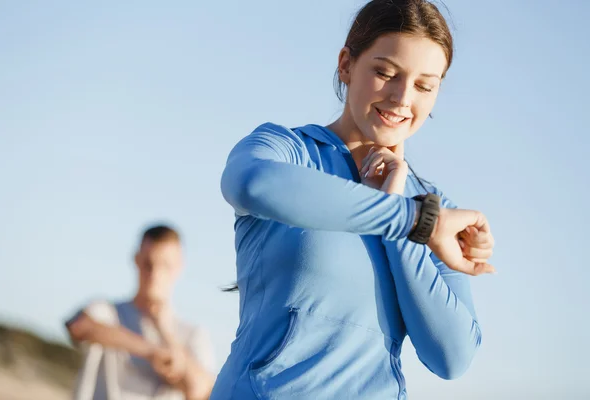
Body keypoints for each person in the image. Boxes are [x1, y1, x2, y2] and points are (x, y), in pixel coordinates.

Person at [210, 1, 496, 399]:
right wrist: (408, 219)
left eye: (423, 85)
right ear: (346, 65)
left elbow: (451, 357)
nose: (401, 98)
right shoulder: (288, 149)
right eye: (385, 73)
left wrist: (404, 224)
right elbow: (251, 185)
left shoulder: (431, 206)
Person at [65, 224, 215, 400]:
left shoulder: (193, 335)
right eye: (148, 264)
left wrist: (163, 329)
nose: (155, 274)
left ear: (179, 267)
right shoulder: (108, 312)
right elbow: (79, 327)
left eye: (165, 265)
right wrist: (151, 352)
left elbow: (201, 391)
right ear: (137, 260)